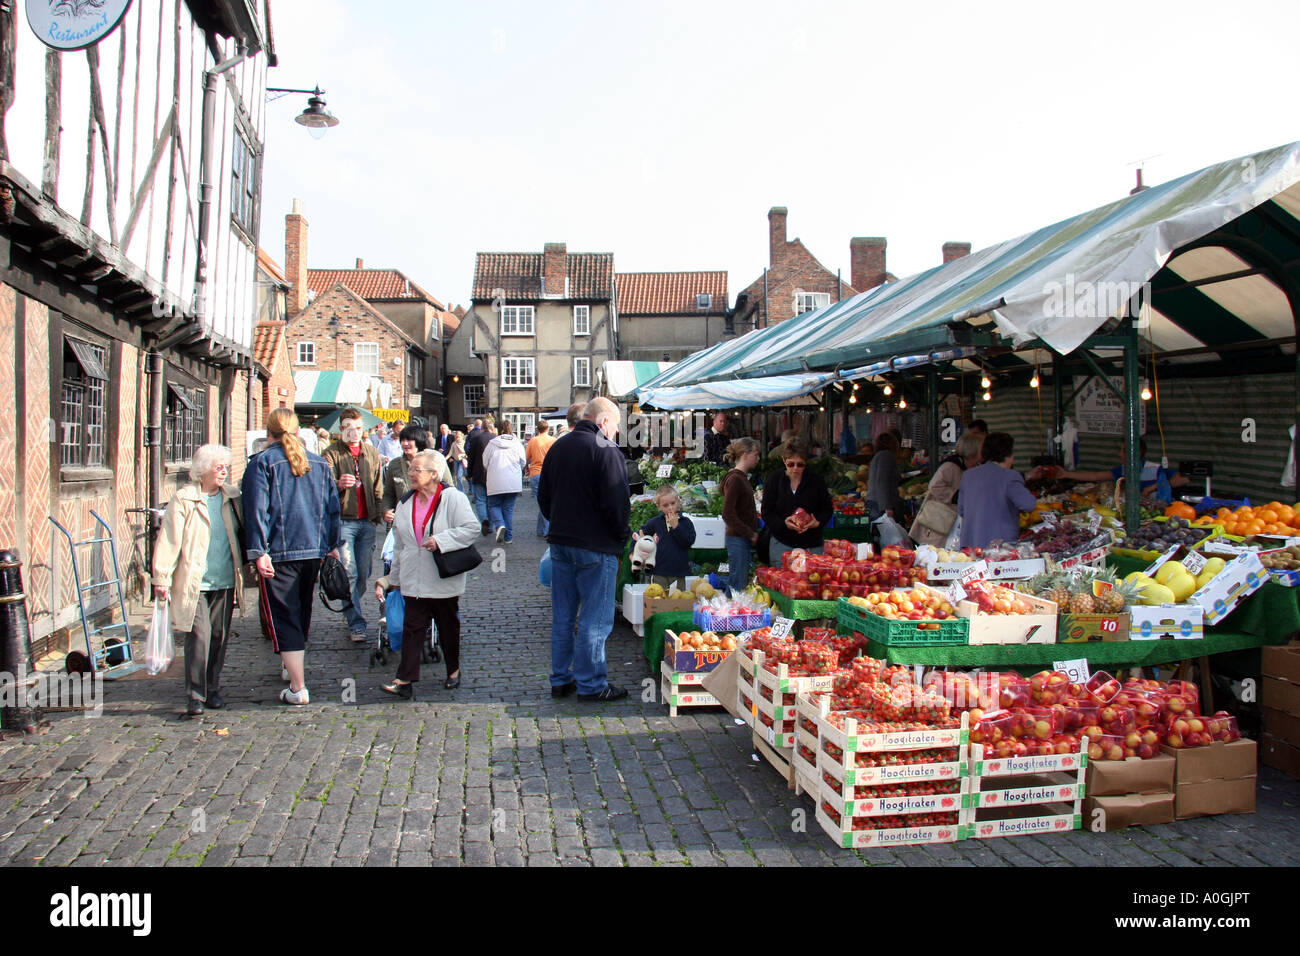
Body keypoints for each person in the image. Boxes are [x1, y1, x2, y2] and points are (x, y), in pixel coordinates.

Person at [241, 408, 341, 705]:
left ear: (267, 431)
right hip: (312, 548)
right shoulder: (319, 463)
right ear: (299, 430)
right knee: (301, 611)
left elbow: (256, 511)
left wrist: (258, 551)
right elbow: (331, 509)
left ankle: (298, 687)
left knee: (284, 616)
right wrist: (330, 544)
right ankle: (290, 666)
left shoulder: (262, 464)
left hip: (280, 551)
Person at [538, 397, 630, 702]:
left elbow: (544, 498)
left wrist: (562, 523)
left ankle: (561, 679)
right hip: (596, 546)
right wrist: (620, 537)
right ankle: (591, 684)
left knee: (563, 616)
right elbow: (618, 504)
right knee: (595, 618)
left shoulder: (559, 447)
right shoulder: (606, 449)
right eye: (616, 425)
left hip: (562, 543)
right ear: (603, 421)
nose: (617, 431)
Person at [373, 450, 479, 697]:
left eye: (416, 470)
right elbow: (399, 544)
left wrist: (442, 540)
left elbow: (471, 529)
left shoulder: (452, 498)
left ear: (434, 474)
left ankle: (453, 670)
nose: (410, 473)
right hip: (413, 578)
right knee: (412, 629)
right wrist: (395, 580)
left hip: (442, 578)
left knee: (447, 627)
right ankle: (404, 681)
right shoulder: (405, 502)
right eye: (411, 469)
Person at [152, 444, 246, 718]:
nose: (224, 472)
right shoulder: (184, 499)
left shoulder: (232, 497)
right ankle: (195, 693)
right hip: (194, 582)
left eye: (225, 467)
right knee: (199, 637)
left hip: (226, 579)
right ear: (203, 470)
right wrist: (162, 577)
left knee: (219, 636)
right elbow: (170, 539)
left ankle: (212, 687)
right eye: (219, 467)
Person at [323, 407, 385, 643]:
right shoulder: (331, 453)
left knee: (363, 575)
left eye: (359, 428)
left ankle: (349, 606)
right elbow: (323, 488)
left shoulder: (371, 452)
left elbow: (379, 486)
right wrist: (338, 484)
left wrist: (378, 514)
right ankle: (356, 623)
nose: (355, 433)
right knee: (349, 573)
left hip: (367, 521)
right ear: (341, 429)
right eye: (349, 428)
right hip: (343, 521)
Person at [958, 432, 1037, 550]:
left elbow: (961, 510)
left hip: (971, 545)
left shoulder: (968, 475)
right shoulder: (1010, 477)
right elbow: (1028, 504)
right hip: (1000, 548)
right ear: (1009, 455)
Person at [760, 438, 833, 565]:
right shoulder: (775, 480)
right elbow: (767, 512)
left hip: (811, 545)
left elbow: (827, 508)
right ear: (784, 460)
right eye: (790, 464)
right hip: (782, 544)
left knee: (810, 581)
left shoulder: (816, 481)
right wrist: (783, 524)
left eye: (800, 464)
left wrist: (817, 522)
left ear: (806, 463)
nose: (795, 468)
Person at [1048, 439, 1189, 503]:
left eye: (1123, 450)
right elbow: (1096, 476)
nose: (1119, 454)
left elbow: (1184, 479)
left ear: (1137, 452)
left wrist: (1153, 487)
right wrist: (1066, 474)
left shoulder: (1154, 468)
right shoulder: (1122, 470)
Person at [910, 432, 984, 547]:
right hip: (941, 520)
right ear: (973, 450)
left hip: (957, 521)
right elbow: (934, 486)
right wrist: (956, 496)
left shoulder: (976, 467)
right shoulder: (951, 466)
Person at [721, 437, 762, 594]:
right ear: (745, 454)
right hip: (738, 538)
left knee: (737, 581)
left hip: (739, 537)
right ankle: (729, 615)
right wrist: (749, 533)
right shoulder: (736, 479)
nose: (758, 459)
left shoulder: (739, 477)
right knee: (737, 583)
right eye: (756, 454)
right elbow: (727, 513)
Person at [636, 486, 696, 592]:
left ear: (678, 501)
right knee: (658, 598)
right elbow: (640, 534)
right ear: (659, 507)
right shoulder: (655, 522)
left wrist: (676, 527)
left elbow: (688, 541)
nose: (670, 508)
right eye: (665, 505)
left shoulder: (686, 522)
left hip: (679, 572)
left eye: (673, 503)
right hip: (659, 571)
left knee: (677, 601)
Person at [484, 420, 527, 543]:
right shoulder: (517, 444)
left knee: (493, 505)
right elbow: (522, 462)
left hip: (495, 480)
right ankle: (508, 537)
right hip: (513, 481)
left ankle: (499, 524)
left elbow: (485, 462)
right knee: (508, 509)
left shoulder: (492, 444)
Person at [380, 425, 432, 523]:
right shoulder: (395, 464)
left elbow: (448, 489)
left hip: (429, 520)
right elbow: (388, 494)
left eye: (409, 440)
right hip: (404, 521)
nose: (404, 443)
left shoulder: (434, 461)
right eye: (402, 440)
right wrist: (386, 511)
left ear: (419, 441)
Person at [525, 420, 556, 536]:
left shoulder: (533, 440)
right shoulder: (553, 440)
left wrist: (526, 468)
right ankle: (542, 530)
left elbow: (527, 457)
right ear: (548, 429)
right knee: (547, 501)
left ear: (538, 429)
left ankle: (545, 530)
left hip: (536, 473)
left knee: (541, 501)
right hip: (550, 473)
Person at [867, 431, 905, 519]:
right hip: (879, 504)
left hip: (875, 502)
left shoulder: (878, 456)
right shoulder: (886, 456)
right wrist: (886, 507)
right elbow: (882, 481)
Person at [466, 419, 495, 535]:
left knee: (480, 500)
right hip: (492, 474)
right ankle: (491, 526)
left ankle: (484, 519)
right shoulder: (495, 439)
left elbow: (471, 457)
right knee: (491, 501)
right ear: (492, 427)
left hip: (478, 473)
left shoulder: (475, 439)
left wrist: (469, 473)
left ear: (482, 427)